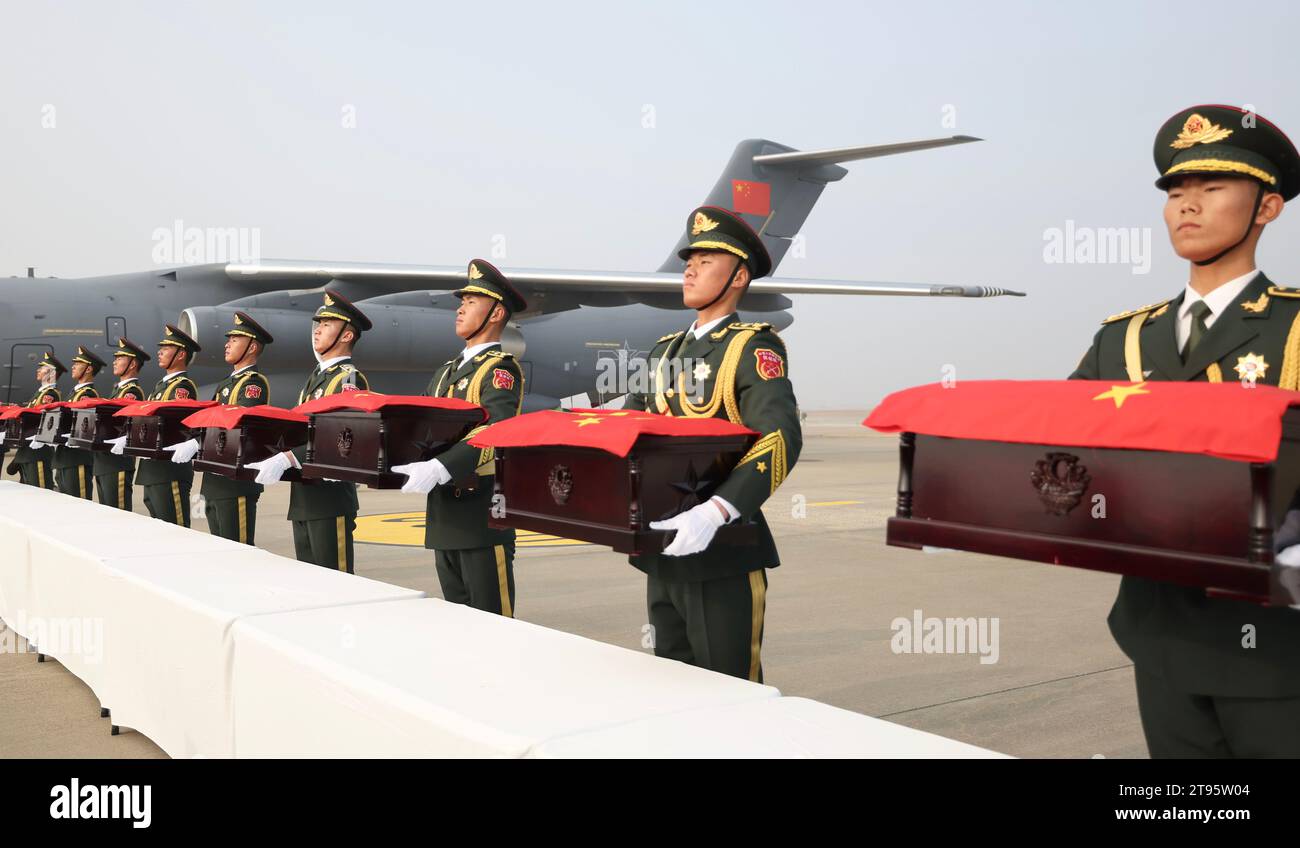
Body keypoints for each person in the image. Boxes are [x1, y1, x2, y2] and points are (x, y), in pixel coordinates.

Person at [1070, 104, 1300, 757]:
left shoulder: (1294, 326)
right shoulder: (1125, 337)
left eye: (1211, 188)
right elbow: (1063, 444)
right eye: (1175, 191)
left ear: (1267, 208)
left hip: (1278, 640)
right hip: (1159, 631)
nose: (1185, 207)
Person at [622, 206, 802, 682]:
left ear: (739, 276)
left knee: (732, 690)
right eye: (690, 259)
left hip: (721, 549)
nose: (690, 268)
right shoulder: (662, 351)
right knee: (675, 690)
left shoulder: (751, 346)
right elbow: (629, 427)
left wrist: (718, 510)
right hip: (662, 548)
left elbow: (780, 436)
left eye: (706, 260)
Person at [394, 260, 527, 616]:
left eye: (471, 301)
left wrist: (441, 466)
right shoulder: (444, 373)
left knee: (492, 623)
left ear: (496, 312)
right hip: (444, 515)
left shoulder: (499, 368)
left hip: (480, 514)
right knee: (459, 622)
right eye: (462, 301)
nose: (460, 308)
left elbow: (497, 429)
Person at [249, 290, 370, 572]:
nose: (317, 330)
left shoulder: (348, 378)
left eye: (327, 325)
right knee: (313, 583)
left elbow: (343, 436)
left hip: (330, 499)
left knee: (336, 584)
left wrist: (291, 458)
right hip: (305, 497)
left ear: (346, 335)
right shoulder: (315, 380)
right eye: (318, 324)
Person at [166, 312, 274, 544]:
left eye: (235, 339)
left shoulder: (253, 383)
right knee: (222, 546)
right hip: (214, 477)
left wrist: (197, 442)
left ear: (252, 347)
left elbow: (237, 424)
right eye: (229, 339)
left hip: (235, 481)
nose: (227, 344)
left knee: (239, 548)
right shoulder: (227, 384)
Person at [134, 325, 200, 526]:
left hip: (169, 469)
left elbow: (174, 426)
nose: (159, 352)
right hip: (153, 469)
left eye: (166, 348)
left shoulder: (182, 387)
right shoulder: (161, 386)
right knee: (160, 528)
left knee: (175, 528)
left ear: (181, 354)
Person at [95, 338, 149, 510]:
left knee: (118, 513)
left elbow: (125, 424)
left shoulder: (132, 391)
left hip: (117, 462)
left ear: (132, 364)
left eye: (120, 358)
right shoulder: (119, 389)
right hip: (106, 460)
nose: (115, 361)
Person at [51, 346, 105, 499]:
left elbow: (85, 428)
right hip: (65, 458)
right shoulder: (75, 392)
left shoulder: (88, 394)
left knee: (79, 503)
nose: (73, 366)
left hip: (77, 459)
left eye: (78, 364)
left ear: (88, 369)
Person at [10, 352, 64, 488]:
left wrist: (42, 438)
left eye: (43, 368)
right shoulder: (40, 393)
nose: (38, 370)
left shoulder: (50, 394)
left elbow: (49, 420)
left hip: (38, 452)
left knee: (40, 491)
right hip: (28, 452)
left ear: (52, 373)